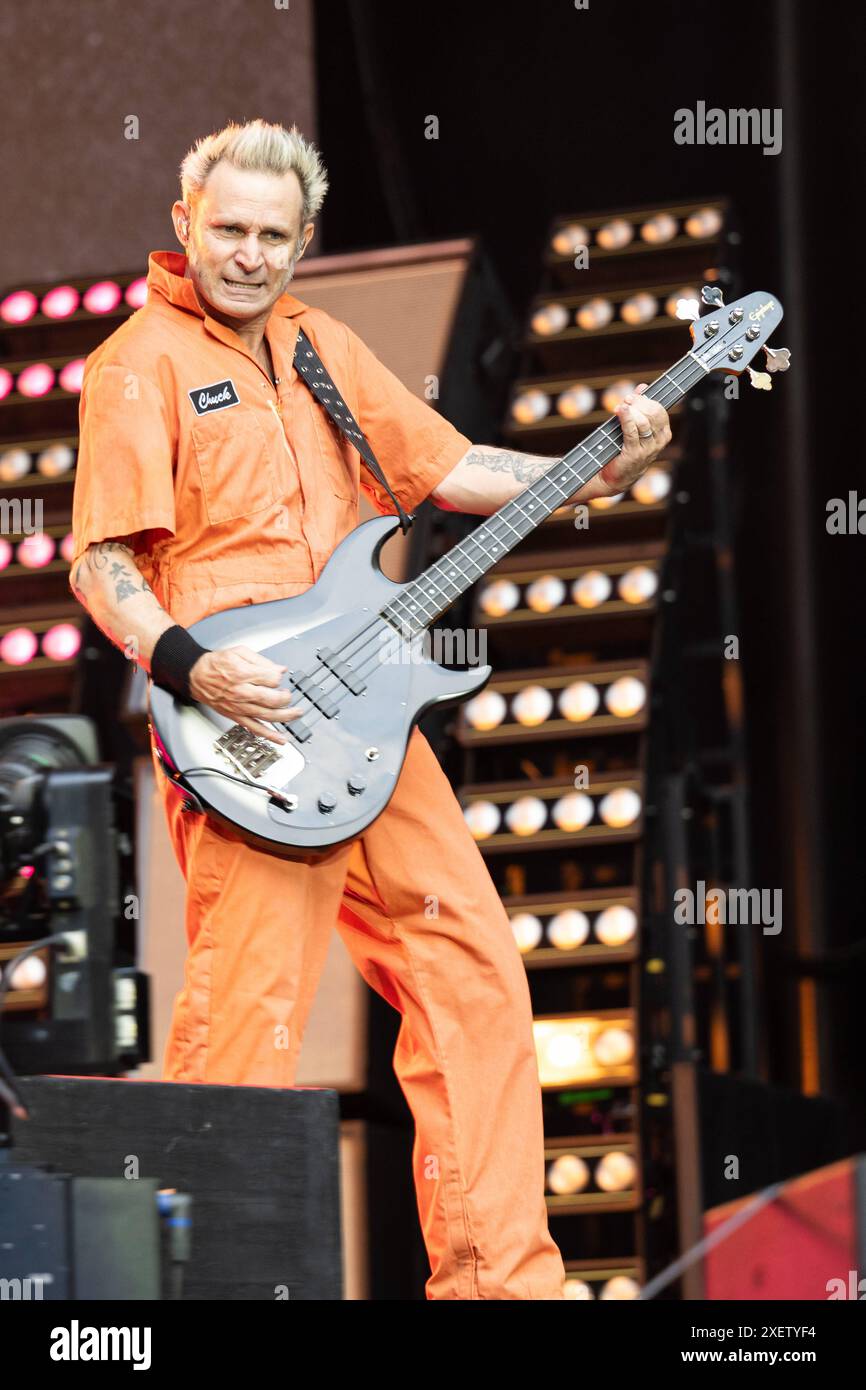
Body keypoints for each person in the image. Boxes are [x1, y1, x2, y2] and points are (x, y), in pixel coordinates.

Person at [69, 119, 671, 1300]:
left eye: (272, 236)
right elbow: (99, 562)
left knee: (475, 978)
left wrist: (592, 463)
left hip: (369, 726)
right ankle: (212, 1290)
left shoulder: (321, 345)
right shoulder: (133, 363)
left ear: (302, 240)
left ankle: (500, 1283)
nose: (248, 254)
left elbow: (449, 470)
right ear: (186, 224)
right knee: (247, 1025)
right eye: (228, 229)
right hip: (244, 729)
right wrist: (185, 661)